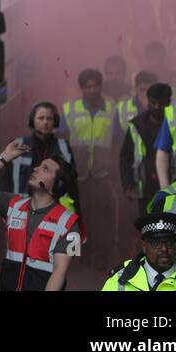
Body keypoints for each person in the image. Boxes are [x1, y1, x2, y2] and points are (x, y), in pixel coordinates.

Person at [0, 138, 81, 291]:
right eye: (39, 166)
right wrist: (4, 157)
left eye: (45, 169)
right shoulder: (13, 204)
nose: (35, 169)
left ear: (58, 185)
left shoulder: (70, 223)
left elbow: (59, 273)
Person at [62, 68, 117, 263]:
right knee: (76, 213)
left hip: (102, 173)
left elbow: (117, 140)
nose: (92, 90)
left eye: (96, 86)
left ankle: (98, 253)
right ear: (82, 89)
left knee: (100, 214)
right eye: (88, 87)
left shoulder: (111, 109)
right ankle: (79, 254)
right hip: (77, 173)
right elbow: (62, 141)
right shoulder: (70, 110)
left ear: (101, 87)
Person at [3, 102, 81, 215]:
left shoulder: (63, 147)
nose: (45, 122)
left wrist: (77, 215)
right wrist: (5, 209)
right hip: (22, 210)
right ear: (32, 121)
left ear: (55, 122)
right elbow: (6, 180)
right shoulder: (18, 145)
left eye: (49, 118)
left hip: (56, 211)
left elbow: (72, 184)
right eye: (40, 118)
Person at [101, 212, 176, 291]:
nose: (164, 248)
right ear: (144, 246)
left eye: (169, 242)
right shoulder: (120, 278)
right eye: (156, 243)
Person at [121, 82, 173, 215]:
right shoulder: (137, 125)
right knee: (147, 225)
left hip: (172, 181)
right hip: (145, 185)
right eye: (153, 103)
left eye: (161, 104)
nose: (157, 107)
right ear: (148, 101)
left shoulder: (174, 122)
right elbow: (126, 156)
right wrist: (127, 184)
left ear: (168, 102)